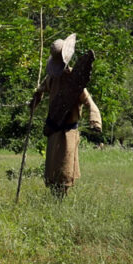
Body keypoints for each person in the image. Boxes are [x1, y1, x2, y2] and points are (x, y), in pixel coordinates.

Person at [29, 33, 102, 198]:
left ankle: (61, 198)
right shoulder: (52, 79)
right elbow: (40, 90)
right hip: (53, 128)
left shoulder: (74, 82)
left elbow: (90, 102)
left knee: (65, 169)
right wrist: (34, 101)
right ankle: (54, 197)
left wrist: (95, 120)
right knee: (53, 168)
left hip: (69, 132)